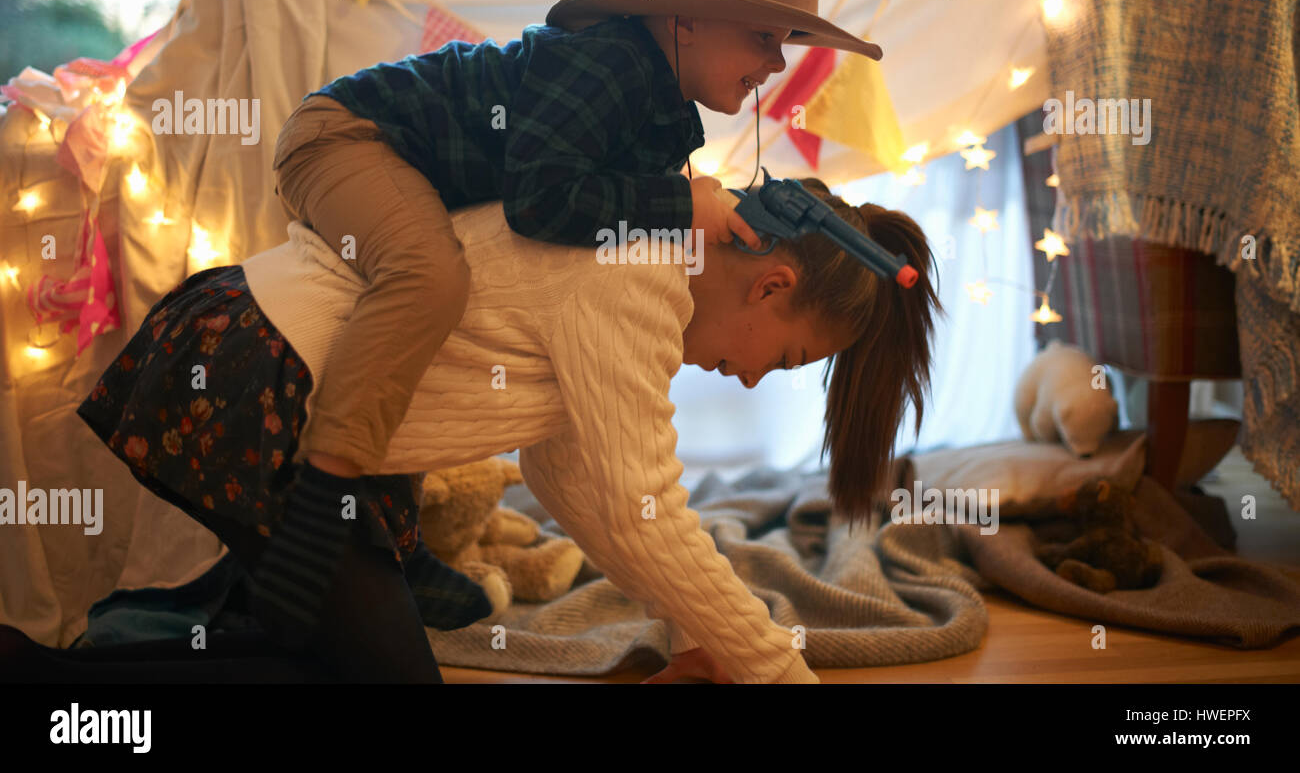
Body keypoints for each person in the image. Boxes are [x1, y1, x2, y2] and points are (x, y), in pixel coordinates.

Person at [250, 0, 884, 660]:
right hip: (347, 138)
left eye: (784, 43)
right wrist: (684, 202)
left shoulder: (664, 115)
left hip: (400, 162)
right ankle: (324, 496)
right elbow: (542, 201)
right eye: (762, 37)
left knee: (442, 333)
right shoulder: (608, 66)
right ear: (682, 18)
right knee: (428, 282)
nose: (776, 63)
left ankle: (395, 535)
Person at [46, 176, 938, 685]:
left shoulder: (643, 275)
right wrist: (776, 671)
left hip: (275, 384)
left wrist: (691, 628)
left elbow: (569, 477)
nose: (750, 377)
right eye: (782, 359)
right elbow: (648, 510)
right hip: (257, 376)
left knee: (314, 640)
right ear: (772, 285)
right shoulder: (642, 274)